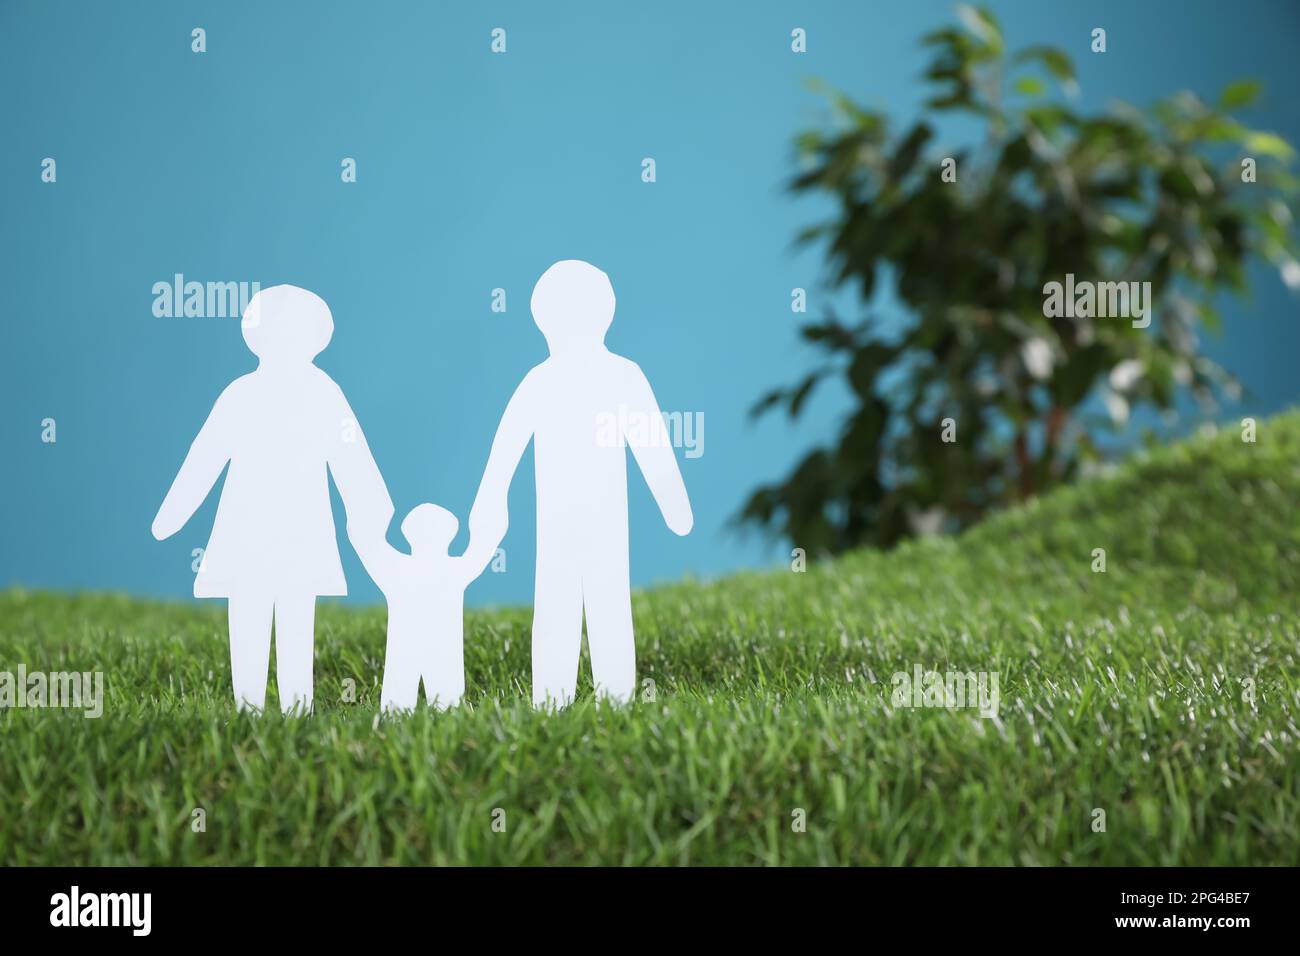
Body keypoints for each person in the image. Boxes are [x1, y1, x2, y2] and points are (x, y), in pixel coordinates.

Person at [151, 284, 393, 713]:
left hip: (294, 530)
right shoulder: (251, 394)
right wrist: (171, 514)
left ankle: (295, 705)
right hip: (254, 530)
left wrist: (370, 507)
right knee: (253, 609)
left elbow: (351, 452)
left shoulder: (315, 393)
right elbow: (205, 458)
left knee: (292, 613)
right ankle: (251, 705)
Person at [463, 260, 693, 709]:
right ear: (607, 314)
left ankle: (563, 698)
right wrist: (674, 506)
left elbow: (504, 450)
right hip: (586, 523)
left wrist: (489, 502)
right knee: (595, 604)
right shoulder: (620, 376)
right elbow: (655, 450)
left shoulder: (544, 380)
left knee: (562, 604)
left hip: (570, 523)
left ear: (541, 321)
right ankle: (601, 697)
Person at [352, 503, 480, 712]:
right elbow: (485, 542)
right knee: (445, 707)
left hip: (410, 653)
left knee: (400, 709)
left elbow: (362, 538)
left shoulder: (394, 567)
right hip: (440, 654)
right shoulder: (455, 568)